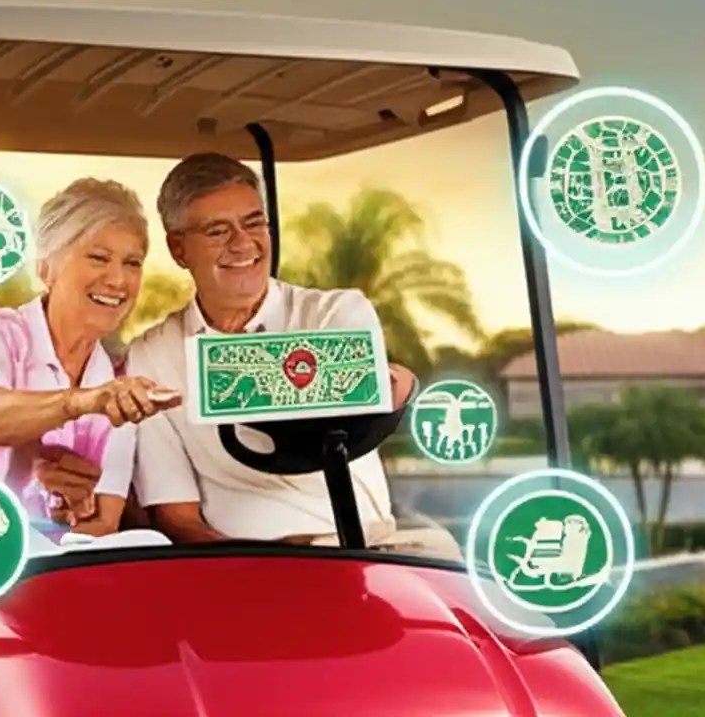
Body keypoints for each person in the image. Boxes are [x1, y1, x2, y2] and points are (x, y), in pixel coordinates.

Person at [124, 153, 462, 560]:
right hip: (241, 566)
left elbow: (372, 407)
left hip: (364, 550)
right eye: (218, 230)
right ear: (178, 249)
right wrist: (263, 567)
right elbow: (177, 519)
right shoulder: (151, 355)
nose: (243, 243)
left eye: (254, 223)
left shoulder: (337, 315)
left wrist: (389, 388)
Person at [0, 178, 181, 538]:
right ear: (46, 269)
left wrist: (68, 514)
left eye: (133, 263)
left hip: (56, 560)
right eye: (99, 258)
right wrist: (82, 402)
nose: (118, 280)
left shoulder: (116, 376)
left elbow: (103, 521)